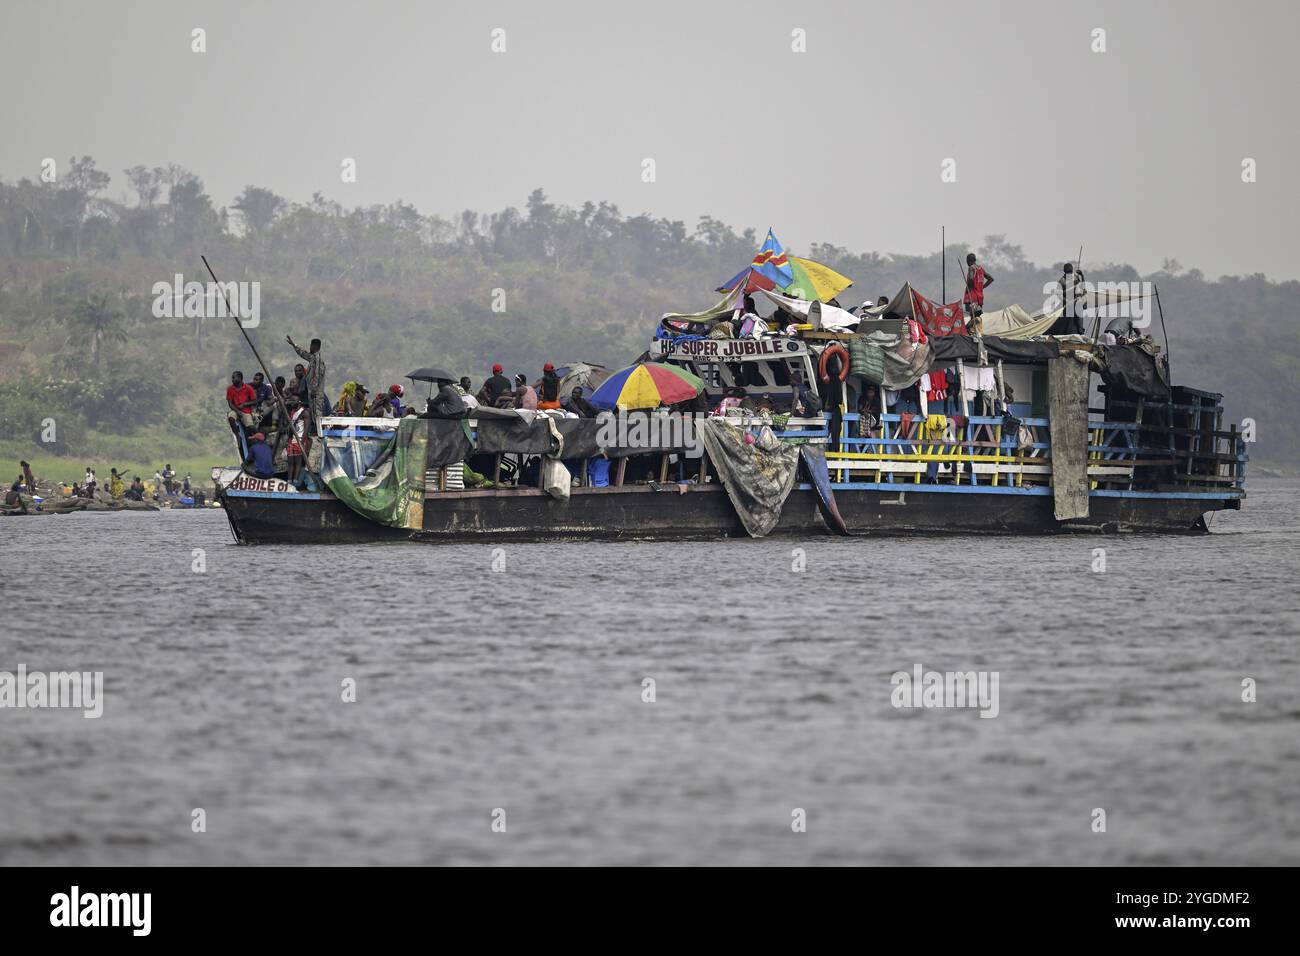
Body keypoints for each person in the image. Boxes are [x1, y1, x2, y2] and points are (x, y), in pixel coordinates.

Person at [286, 335, 327, 416]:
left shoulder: (318, 361)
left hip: (316, 394)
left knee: (316, 413)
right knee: (313, 413)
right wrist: (294, 345)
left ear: (314, 346)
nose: (309, 348)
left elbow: (317, 375)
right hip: (312, 394)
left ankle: (317, 428)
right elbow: (303, 353)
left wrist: (314, 390)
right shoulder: (313, 358)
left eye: (311, 346)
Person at [962, 253, 994, 323]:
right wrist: (981, 287)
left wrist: (969, 289)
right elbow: (991, 279)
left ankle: (970, 331)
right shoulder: (981, 269)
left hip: (972, 297)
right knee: (977, 317)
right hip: (980, 297)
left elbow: (970, 279)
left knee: (972, 317)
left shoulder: (971, 268)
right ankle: (976, 332)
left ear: (968, 260)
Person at [285, 395, 306, 484]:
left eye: (294, 400)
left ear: (299, 402)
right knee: (290, 463)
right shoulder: (292, 412)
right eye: (291, 400)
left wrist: (301, 441)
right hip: (291, 440)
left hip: (299, 439)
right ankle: (289, 481)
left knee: (298, 463)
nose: (292, 402)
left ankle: (295, 481)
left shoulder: (304, 412)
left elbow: (307, 428)